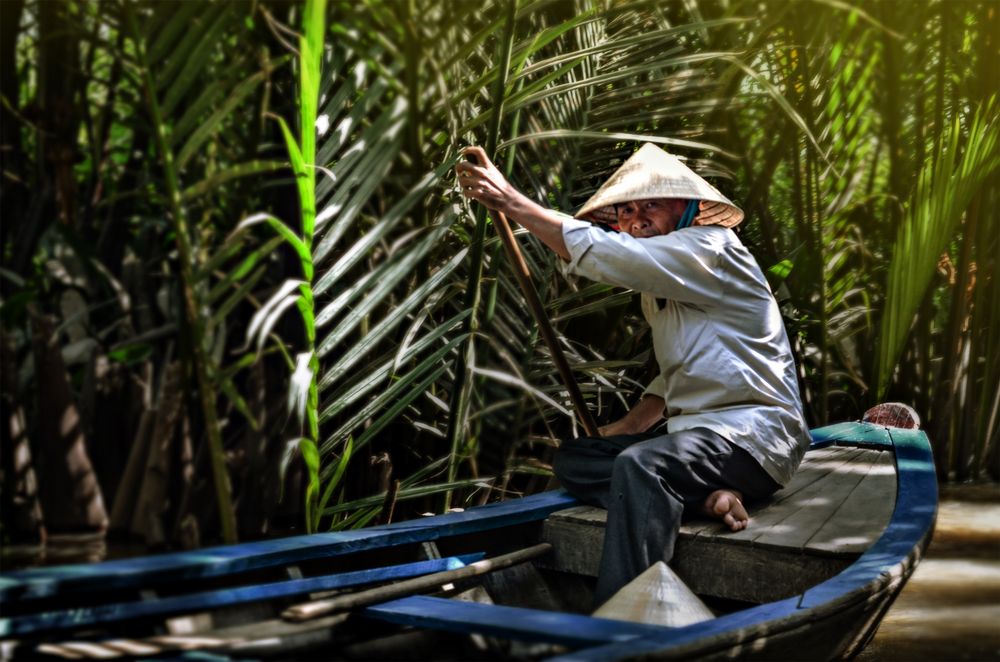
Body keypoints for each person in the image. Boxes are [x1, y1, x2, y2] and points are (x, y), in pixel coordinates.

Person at [456, 143, 811, 607]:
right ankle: (703, 498)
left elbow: (608, 253)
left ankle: (628, 611)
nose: (636, 219)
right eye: (626, 211)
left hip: (753, 435)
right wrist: (630, 425)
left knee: (641, 465)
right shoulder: (663, 282)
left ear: (688, 209)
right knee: (577, 458)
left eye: (651, 206)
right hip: (699, 441)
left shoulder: (711, 248)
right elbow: (679, 368)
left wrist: (510, 200)